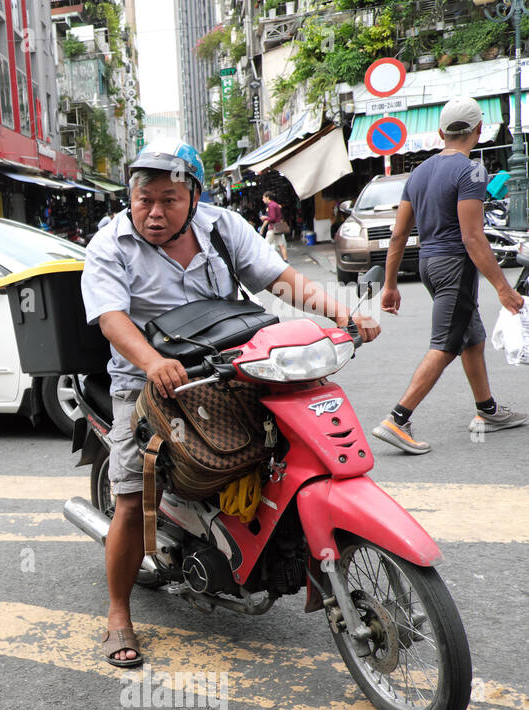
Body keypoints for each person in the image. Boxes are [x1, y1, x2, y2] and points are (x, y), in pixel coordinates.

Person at [81, 138, 379, 668]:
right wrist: (152, 363)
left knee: (288, 447)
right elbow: (111, 319)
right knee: (131, 498)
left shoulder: (221, 227)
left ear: (194, 197)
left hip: (235, 366)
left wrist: (342, 314)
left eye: (168, 199)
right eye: (143, 198)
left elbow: (280, 280)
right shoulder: (111, 245)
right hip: (149, 382)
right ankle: (118, 614)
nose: (153, 211)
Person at [374, 96, 526, 453]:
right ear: (478, 131)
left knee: (471, 335)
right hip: (455, 267)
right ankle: (396, 419)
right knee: (444, 344)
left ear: (441, 132)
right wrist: (503, 288)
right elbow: (472, 236)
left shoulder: (419, 172)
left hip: (428, 264)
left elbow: (398, 234)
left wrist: (390, 284)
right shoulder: (471, 170)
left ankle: (487, 409)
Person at [260, 191, 288, 262]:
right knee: (281, 244)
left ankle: (264, 261)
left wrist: (264, 217)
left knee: (265, 244)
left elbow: (272, 218)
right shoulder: (275, 205)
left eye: (263, 198)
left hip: (273, 228)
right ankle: (285, 260)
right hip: (277, 228)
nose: (262, 199)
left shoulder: (271, 206)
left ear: (267, 197)